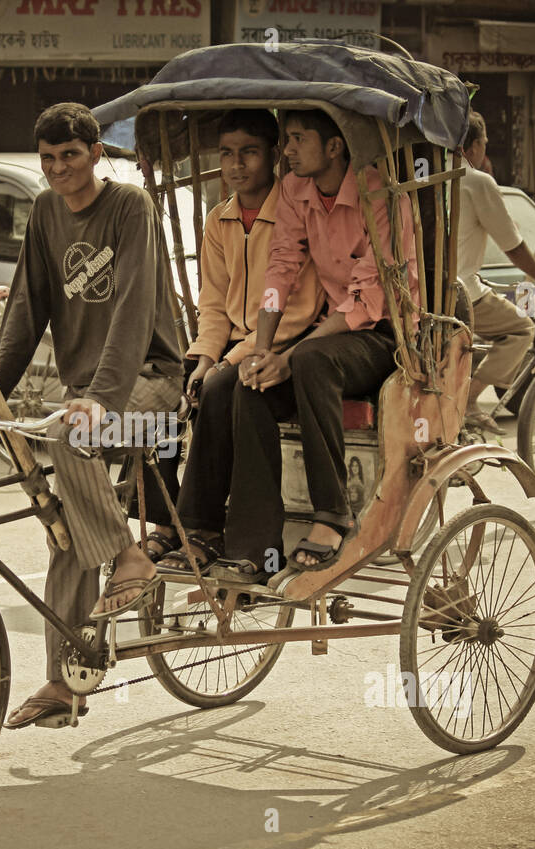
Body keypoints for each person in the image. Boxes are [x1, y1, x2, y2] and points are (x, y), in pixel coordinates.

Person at [0, 103, 184, 729]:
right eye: (49, 158)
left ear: (97, 155)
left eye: (71, 155)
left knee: (71, 438)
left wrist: (103, 399)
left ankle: (133, 558)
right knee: (67, 530)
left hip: (150, 384)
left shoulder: (131, 207)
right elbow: (26, 312)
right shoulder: (45, 213)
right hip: (91, 394)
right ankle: (65, 681)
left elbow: (136, 306)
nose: (59, 169)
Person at [170, 108, 419, 577]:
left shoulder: (378, 196)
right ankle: (238, 544)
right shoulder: (296, 189)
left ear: (333, 147)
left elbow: (369, 297)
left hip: (385, 334)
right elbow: (280, 269)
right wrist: (262, 351)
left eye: (297, 140)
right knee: (235, 385)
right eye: (285, 140)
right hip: (330, 332)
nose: (286, 151)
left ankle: (333, 514)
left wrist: (286, 356)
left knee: (309, 360)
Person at [144, 109, 325, 573]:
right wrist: (204, 357)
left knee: (227, 388)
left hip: (291, 345)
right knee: (166, 387)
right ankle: (167, 522)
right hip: (236, 345)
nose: (236, 165)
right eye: (227, 154)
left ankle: (219, 536)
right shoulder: (219, 219)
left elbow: (299, 306)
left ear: (272, 154)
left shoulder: (295, 213)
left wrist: (231, 361)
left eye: (248, 152)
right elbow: (214, 303)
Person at [455, 111, 535, 434]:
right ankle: (470, 399)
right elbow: (513, 245)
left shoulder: (428, 176)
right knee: (520, 328)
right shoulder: (477, 181)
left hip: (427, 291)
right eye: (484, 144)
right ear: (474, 146)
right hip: (461, 293)